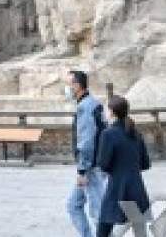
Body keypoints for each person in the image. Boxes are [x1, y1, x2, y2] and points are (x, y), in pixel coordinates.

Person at [96, 95, 152, 237]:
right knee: (140, 231)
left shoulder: (108, 134)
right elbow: (145, 163)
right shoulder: (135, 133)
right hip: (136, 186)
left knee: (103, 228)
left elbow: (103, 164)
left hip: (117, 186)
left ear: (112, 111)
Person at [66, 70, 107, 237]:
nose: (67, 88)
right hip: (92, 165)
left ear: (77, 86)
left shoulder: (85, 107)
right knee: (74, 205)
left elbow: (87, 141)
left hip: (91, 167)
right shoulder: (93, 103)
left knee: (97, 213)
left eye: (68, 84)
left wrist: (82, 170)